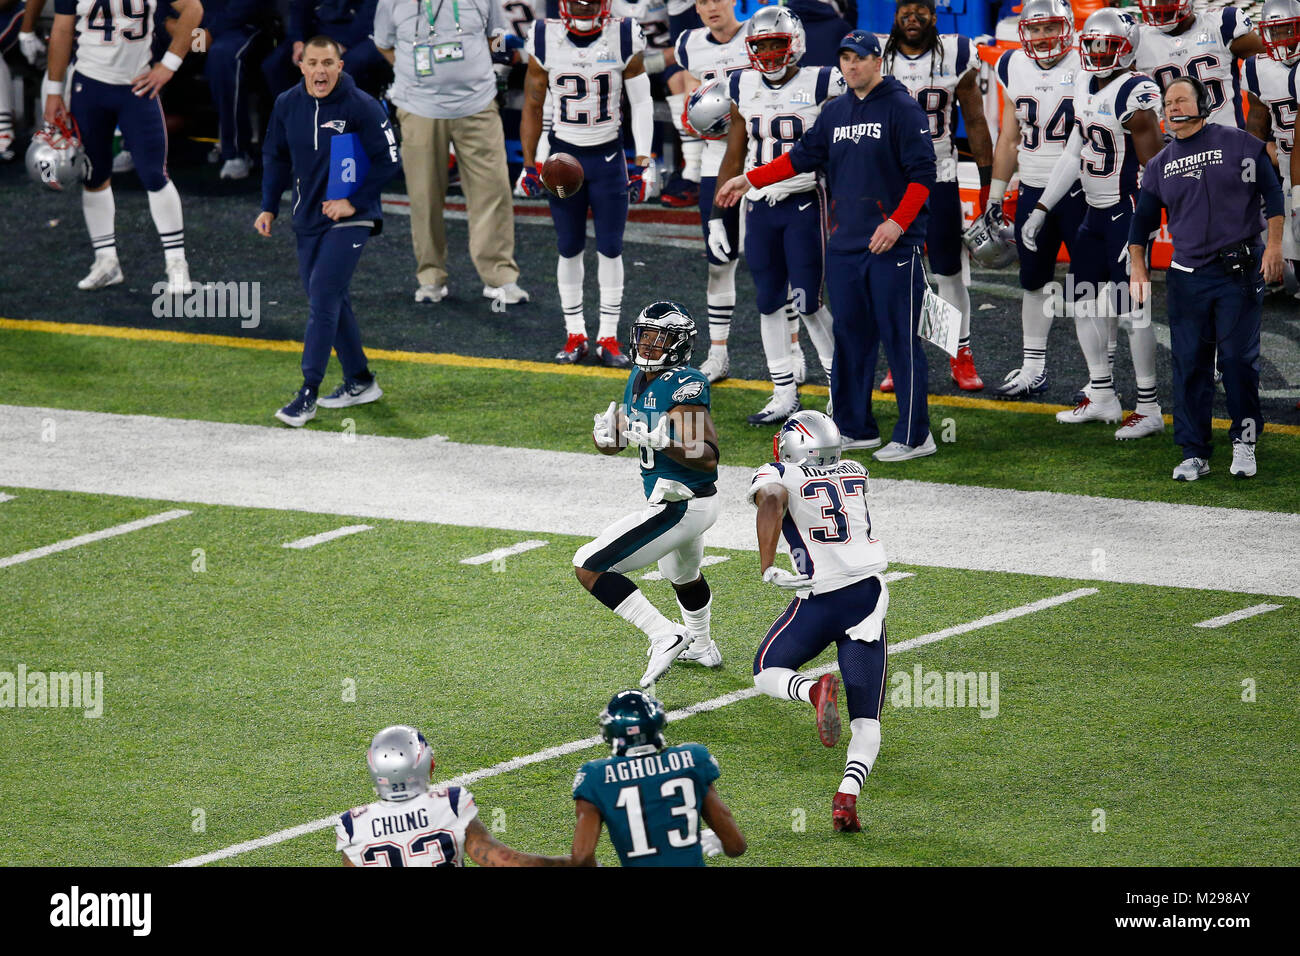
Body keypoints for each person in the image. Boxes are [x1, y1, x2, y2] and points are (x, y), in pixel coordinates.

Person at [717, 30, 939, 463]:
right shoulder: (835, 110)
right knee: (851, 337)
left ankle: (916, 434)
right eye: (845, 59)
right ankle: (857, 428)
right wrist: (750, 178)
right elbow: (800, 157)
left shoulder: (902, 107)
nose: (852, 66)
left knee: (899, 339)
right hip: (846, 242)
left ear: (878, 61)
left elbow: (923, 175)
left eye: (859, 58)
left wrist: (897, 223)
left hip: (894, 244)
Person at [1128, 77, 1282, 481]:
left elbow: (1273, 194)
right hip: (1187, 278)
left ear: (1204, 104)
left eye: (1181, 100)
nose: (1173, 107)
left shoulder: (1240, 144)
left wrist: (1274, 246)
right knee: (1190, 365)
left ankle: (1244, 441)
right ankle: (1194, 451)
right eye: (1167, 101)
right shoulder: (1160, 164)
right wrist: (1138, 265)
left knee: (1237, 363)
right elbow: (1141, 221)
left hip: (1239, 271)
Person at [1023, 7, 1165, 440]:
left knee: (1132, 313)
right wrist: (1042, 207)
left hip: (1125, 212)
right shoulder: (1084, 83)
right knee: (1083, 303)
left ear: (1127, 48)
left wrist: (1143, 231)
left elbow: (1155, 167)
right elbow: (1072, 153)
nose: (1100, 54)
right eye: (1094, 45)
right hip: (1092, 213)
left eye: (1109, 45)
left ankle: (1148, 406)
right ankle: (1101, 394)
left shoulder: (1136, 90)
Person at [748, 410, 889, 833]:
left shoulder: (778, 471)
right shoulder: (856, 470)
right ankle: (847, 796)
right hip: (865, 597)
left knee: (765, 671)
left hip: (819, 598)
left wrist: (767, 563)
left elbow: (772, 499)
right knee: (867, 720)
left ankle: (811, 691)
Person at [573, 301, 723, 689]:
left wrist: (665, 441)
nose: (649, 344)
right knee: (682, 575)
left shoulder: (685, 382)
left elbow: (706, 457)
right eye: (645, 335)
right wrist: (607, 438)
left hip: (683, 501)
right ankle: (702, 646)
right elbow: (626, 438)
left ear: (679, 343)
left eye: (660, 338)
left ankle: (664, 633)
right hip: (680, 500)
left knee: (589, 564)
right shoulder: (638, 377)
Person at [257, 36, 400, 427]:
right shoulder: (287, 103)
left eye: (328, 63)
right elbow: (275, 156)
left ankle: (308, 393)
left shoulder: (361, 106)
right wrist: (269, 206)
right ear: (300, 65)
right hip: (307, 218)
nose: (320, 70)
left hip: (351, 216)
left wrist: (354, 201)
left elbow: (389, 161)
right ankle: (361, 380)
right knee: (332, 300)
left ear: (341, 66)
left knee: (322, 297)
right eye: (312, 62)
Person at [709, 5, 839, 424]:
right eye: (760, 45)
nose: (767, 54)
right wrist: (717, 215)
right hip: (759, 207)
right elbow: (734, 151)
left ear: (794, 43)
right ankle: (784, 392)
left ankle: (841, 389)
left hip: (804, 202)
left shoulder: (823, 81)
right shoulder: (740, 84)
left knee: (808, 302)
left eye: (776, 44)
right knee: (767, 302)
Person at [517, 0, 654, 367]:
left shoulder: (623, 33)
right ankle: (575, 332)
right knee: (568, 245)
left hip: (609, 158)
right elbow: (533, 103)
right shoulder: (544, 35)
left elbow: (641, 102)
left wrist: (643, 161)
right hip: (564, 157)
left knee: (611, 247)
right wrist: (529, 164)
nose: (584, 8)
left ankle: (607, 336)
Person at [374, 0, 530, 306]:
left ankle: (500, 277)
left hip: (478, 104)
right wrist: (413, 74)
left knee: (493, 190)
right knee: (424, 196)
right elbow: (384, 44)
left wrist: (491, 69)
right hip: (419, 108)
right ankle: (430, 277)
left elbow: (496, 35)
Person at [42, 0, 201, 294]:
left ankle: (177, 262)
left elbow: (194, 9)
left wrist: (169, 65)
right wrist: (54, 90)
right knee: (94, 175)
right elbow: (62, 29)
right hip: (89, 87)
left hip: (136, 87)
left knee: (154, 174)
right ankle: (106, 261)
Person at [880, 0, 993, 393]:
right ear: (895, 16)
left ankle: (958, 352)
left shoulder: (957, 53)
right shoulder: (875, 56)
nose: (913, 19)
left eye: (920, 11)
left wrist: (986, 183)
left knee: (947, 270)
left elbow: (976, 121)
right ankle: (900, 354)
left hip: (939, 175)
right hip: (888, 182)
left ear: (934, 15)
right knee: (895, 273)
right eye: (905, 12)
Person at [986, 0, 1085, 400]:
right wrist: (996, 195)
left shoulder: (1088, 61)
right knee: (1033, 282)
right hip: (1032, 188)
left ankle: (1101, 377)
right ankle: (1033, 367)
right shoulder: (1011, 66)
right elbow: (1009, 138)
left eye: (1051, 28)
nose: (1044, 37)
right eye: (1037, 29)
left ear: (1067, 27)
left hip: (1084, 191)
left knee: (1091, 287)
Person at [664, 0, 751, 380]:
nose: (711, 6)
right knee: (719, 261)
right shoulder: (689, 44)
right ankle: (718, 353)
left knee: (776, 265)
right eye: (702, 1)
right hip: (717, 162)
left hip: (763, 158)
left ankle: (794, 350)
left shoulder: (759, 33)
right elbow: (689, 92)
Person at [337, 725, 572, 865]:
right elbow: (503, 861)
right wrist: (569, 864)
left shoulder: (352, 825)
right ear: (428, 765)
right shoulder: (449, 804)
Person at [570, 689, 746, 866]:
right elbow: (736, 845)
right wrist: (721, 841)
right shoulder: (692, 759)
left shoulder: (595, 776)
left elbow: (582, 857)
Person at [1134, 0, 1261, 129]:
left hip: (1227, 138)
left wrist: (1254, 134)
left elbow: (1268, 71)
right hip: (1177, 143)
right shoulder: (1138, 39)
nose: (1159, 6)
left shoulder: (1221, 24)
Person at [1248, 1, 1300, 273]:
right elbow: (1256, 121)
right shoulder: (1257, 67)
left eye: (1288, 28)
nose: (1283, 37)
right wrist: (1259, 152)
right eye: (1276, 31)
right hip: (1289, 172)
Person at [265, 1, 392, 99]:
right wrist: (298, 42)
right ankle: (289, 119)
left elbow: (369, 17)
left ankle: (335, 122)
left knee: (345, 67)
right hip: (318, 32)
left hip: (363, 36)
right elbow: (299, 8)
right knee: (274, 65)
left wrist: (338, 47)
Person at [200, 1, 268, 180]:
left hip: (238, 27)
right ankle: (136, 147)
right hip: (191, 26)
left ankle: (236, 152)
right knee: (144, 48)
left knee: (223, 55)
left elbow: (243, 8)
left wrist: (208, 32)